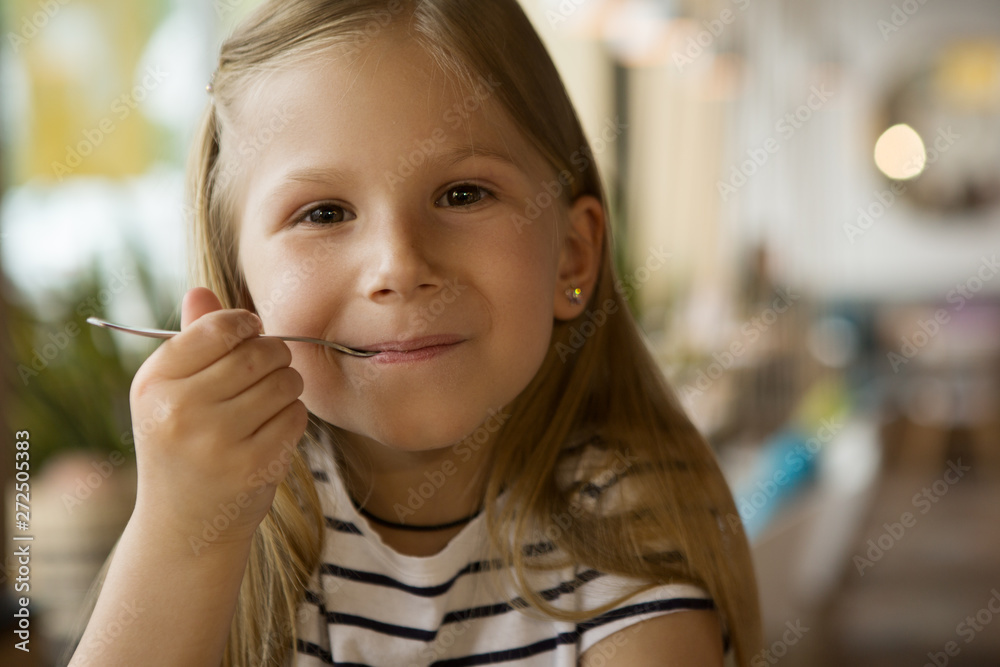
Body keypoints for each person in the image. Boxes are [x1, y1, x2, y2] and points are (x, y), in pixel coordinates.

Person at [67, 1, 760, 665]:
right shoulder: (218, 520)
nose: (398, 266)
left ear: (572, 257)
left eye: (463, 194)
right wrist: (183, 532)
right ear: (244, 289)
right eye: (325, 212)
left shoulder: (629, 522)